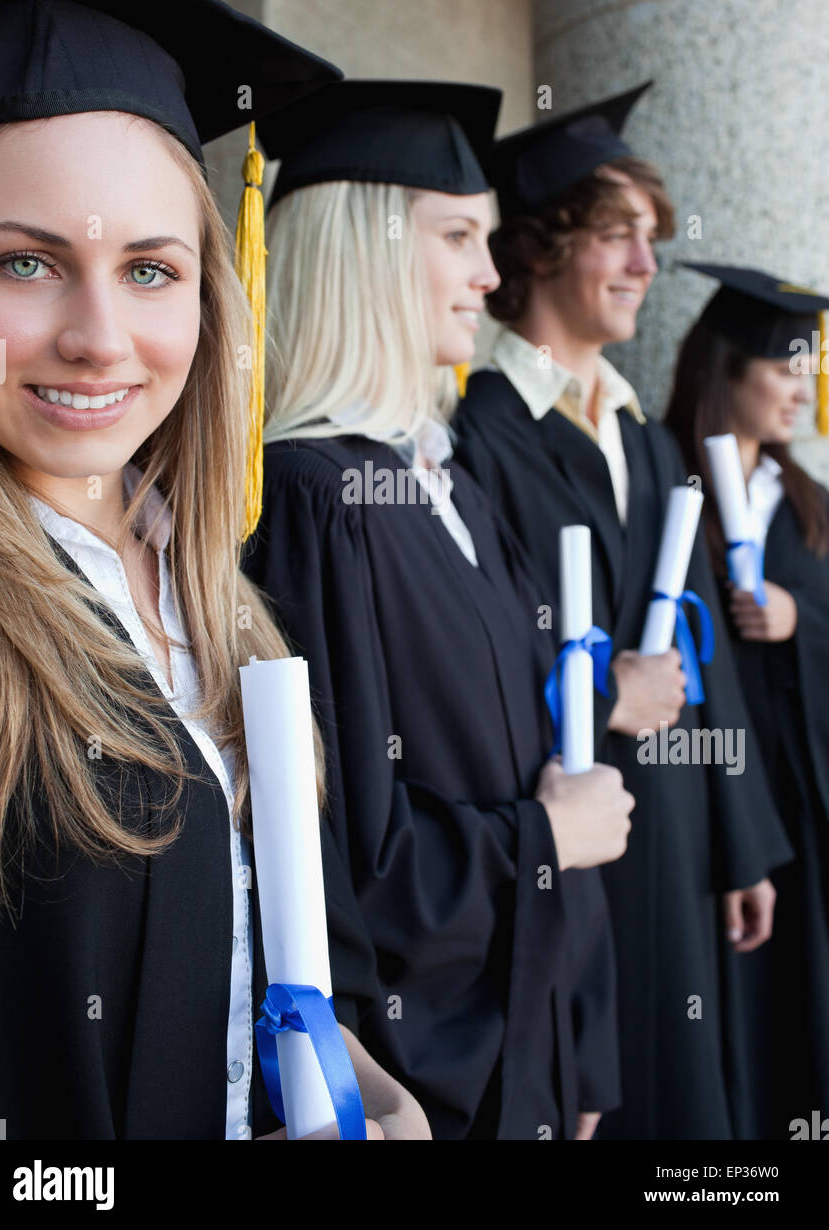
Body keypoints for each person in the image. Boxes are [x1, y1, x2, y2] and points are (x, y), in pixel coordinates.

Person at [0, 0, 429, 1141]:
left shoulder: (215, 595)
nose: (98, 338)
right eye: (22, 260)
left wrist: (363, 1085)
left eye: (150, 269)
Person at [243, 78, 636, 1140]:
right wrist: (546, 836)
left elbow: (547, 766)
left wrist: (577, 1047)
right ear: (361, 253)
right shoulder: (311, 503)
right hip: (425, 1083)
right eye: (458, 234)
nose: (489, 273)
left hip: (532, 1059)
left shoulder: (452, 487)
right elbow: (346, 862)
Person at [454, 85, 792, 1139]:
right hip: (569, 824)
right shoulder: (475, 428)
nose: (647, 265)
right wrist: (601, 693)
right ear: (543, 244)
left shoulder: (642, 439)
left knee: (686, 1103)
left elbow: (714, 667)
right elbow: (463, 650)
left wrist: (738, 843)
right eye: (618, 237)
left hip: (678, 826)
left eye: (650, 239)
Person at [666, 262, 829, 1139]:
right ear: (724, 369)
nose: (802, 389)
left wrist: (801, 621)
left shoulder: (813, 509)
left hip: (801, 801)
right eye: (783, 367)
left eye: (810, 369)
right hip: (705, 795)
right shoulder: (670, 490)